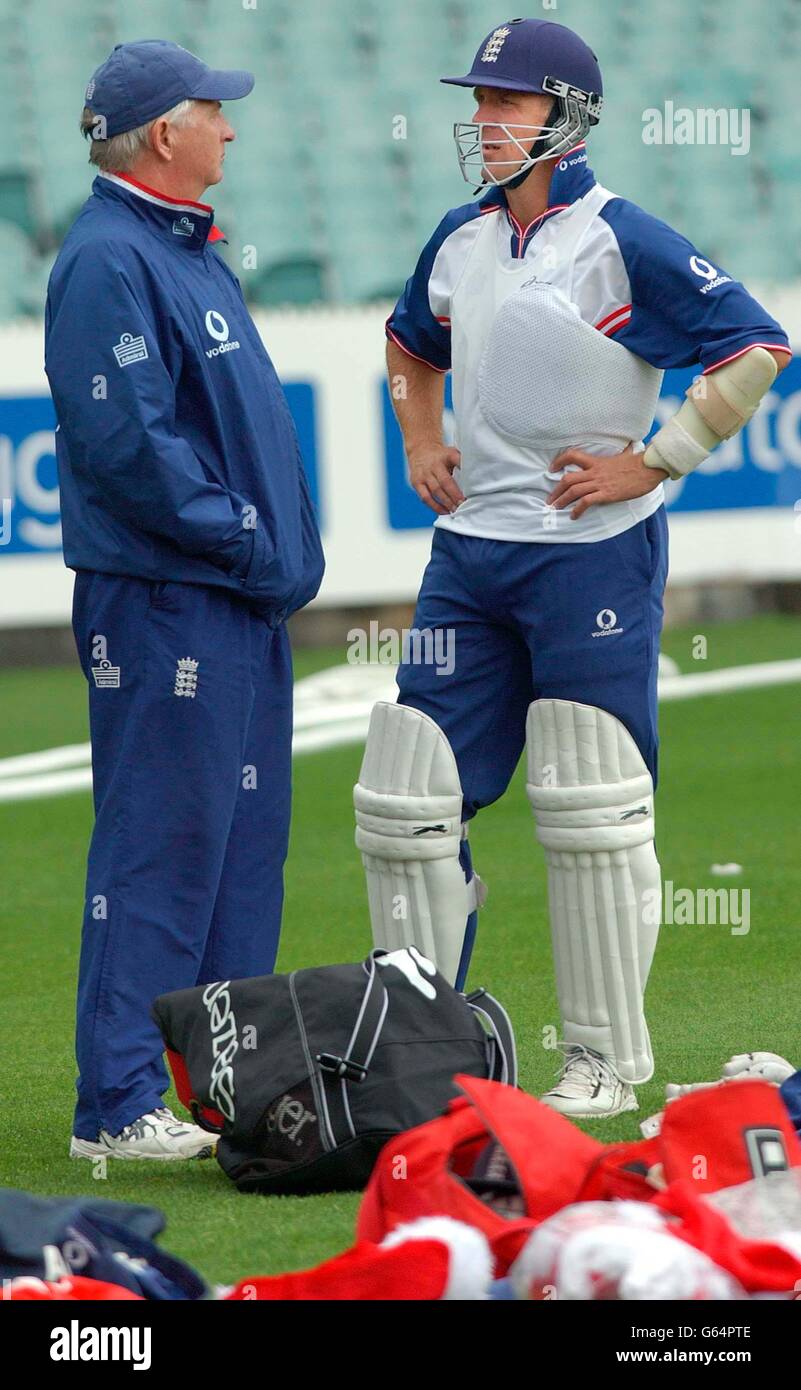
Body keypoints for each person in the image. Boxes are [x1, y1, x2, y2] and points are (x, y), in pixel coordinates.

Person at [353, 18, 790, 1117]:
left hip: (589, 559)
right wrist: (418, 437)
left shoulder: (620, 237)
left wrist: (655, 462)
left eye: (507, 102)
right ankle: (419, 1060)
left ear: (566, 115)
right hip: (471, 556)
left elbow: (758, 346)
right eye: (480, 102)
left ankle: (599, 1059)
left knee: (591, 803)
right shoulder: (460, 238)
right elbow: (413, 343)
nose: (485, 121)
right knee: (407, 799)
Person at [45, 40, 324, 1160]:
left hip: (233, 603)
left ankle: (221, 1089)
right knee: (161, 849)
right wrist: (251, 541)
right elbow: (130, 451)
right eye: (217, 112)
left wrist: (262, 559)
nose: (233, 128)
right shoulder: (109, 258)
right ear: (166, 133)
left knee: (243, 853)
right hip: (173, 602)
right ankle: (115, 1107)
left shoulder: (184, 249)